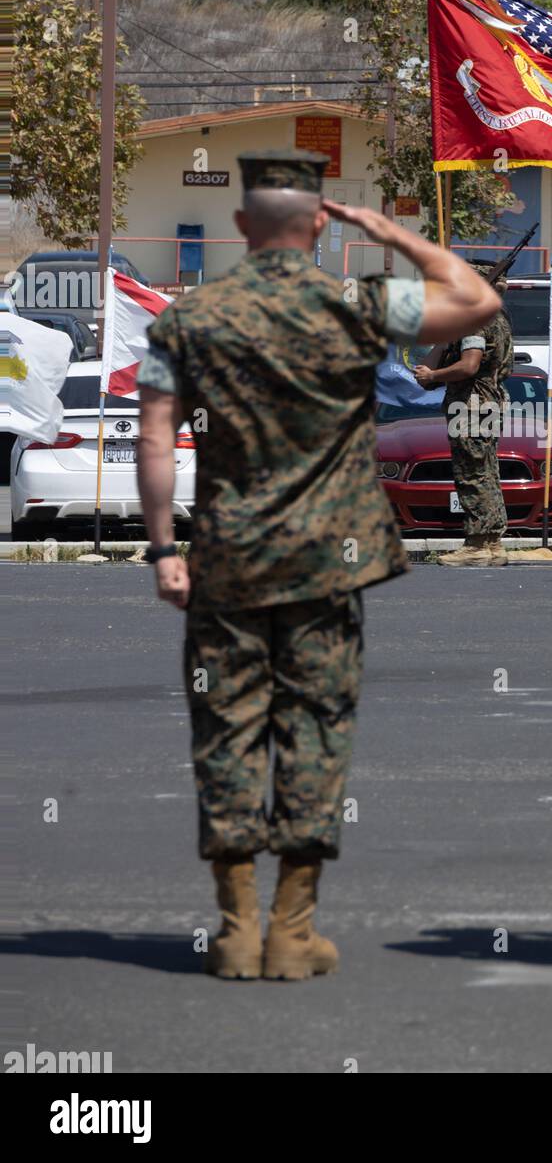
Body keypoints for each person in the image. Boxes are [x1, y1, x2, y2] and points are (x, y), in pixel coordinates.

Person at [136, 151, 499, 981]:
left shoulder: (190, 319)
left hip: (226, 558)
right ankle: (293, 932)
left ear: (240, 228)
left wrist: (163, 548)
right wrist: (388, 230)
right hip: (329, 562)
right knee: (314, 729)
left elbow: (156, 437)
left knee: (226, 732)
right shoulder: (356, 304)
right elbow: (476, 299)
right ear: (318, 225)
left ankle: (235, 930)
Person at [413, 259, 514, 566]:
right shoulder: (496, 317)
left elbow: (469, 365)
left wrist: (433, 376)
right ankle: (492, 542)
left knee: (472, 474)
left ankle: (477, 545)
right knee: (486, 472)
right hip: (486, 402)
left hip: (471, 404)